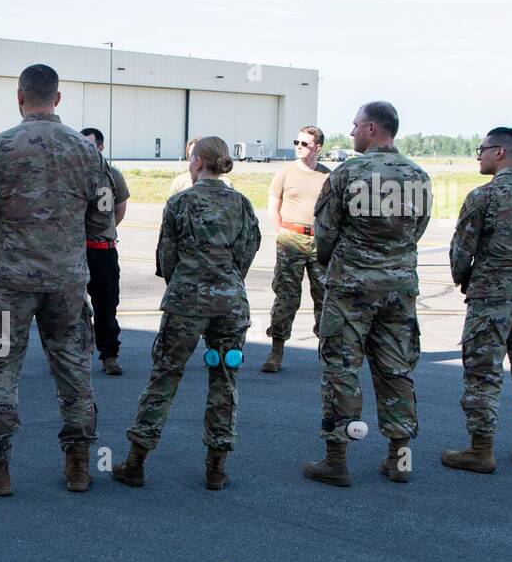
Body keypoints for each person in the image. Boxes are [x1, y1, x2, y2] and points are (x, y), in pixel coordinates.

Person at [0, 64, 112, 496]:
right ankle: (79, 465)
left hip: (10, 284)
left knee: (1, 373)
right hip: (66, 284)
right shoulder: (87, 151)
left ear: (19, 97)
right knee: (76, 373)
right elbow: (103, 222)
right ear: (57, 99)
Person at [112, 137, 260, 490]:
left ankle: (136, 462)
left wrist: (186, 279)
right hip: (229, 302)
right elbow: (248, 250)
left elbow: (166, 257)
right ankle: (216, 468)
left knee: (164, 376)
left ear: (197, 163)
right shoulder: (240, 203)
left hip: (187, 300)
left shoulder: (180, 202)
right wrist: (226, 279)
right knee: (224, 379)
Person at [303, 101, 431, 486]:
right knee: (397, 370)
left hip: (352, 288)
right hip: (399, 288)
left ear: (373, 128)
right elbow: (417, 228)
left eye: (356, 125)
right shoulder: (418, 175)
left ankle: (337, 459)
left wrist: (338, 263)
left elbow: (324, 234)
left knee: (342, 369)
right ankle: (399, 460)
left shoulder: (348, 173)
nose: (352, 130)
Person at [441, 127, 512, 472]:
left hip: (492, 290)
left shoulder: (483, 196)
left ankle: (481, 449)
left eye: (483, 149)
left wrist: (463, 279)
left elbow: (462, 250)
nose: (479, 155)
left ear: (500, 153)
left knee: (482, 370)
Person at [261, 126, 331, 372]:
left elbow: (333, 212)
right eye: (297, 142)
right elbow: (273, 207)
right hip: (291, 240)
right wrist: (283, 231)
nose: (299, 146)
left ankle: (326, 353)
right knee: (286, 297)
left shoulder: (327, 176)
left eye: (304, 143)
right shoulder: (285, 173)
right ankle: (276, 352)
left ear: (317, 147)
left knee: (324, 297)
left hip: (319, 243)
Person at [80, 127, 130, 376]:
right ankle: (73, 355)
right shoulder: (72, 174)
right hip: (76, 253)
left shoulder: (113, 176)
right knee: (71, 309)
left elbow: (119, 210)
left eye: (89, 145)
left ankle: (109, 355)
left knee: (106, 307)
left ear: (100, 147)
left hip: (103, 252)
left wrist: (105, 233)